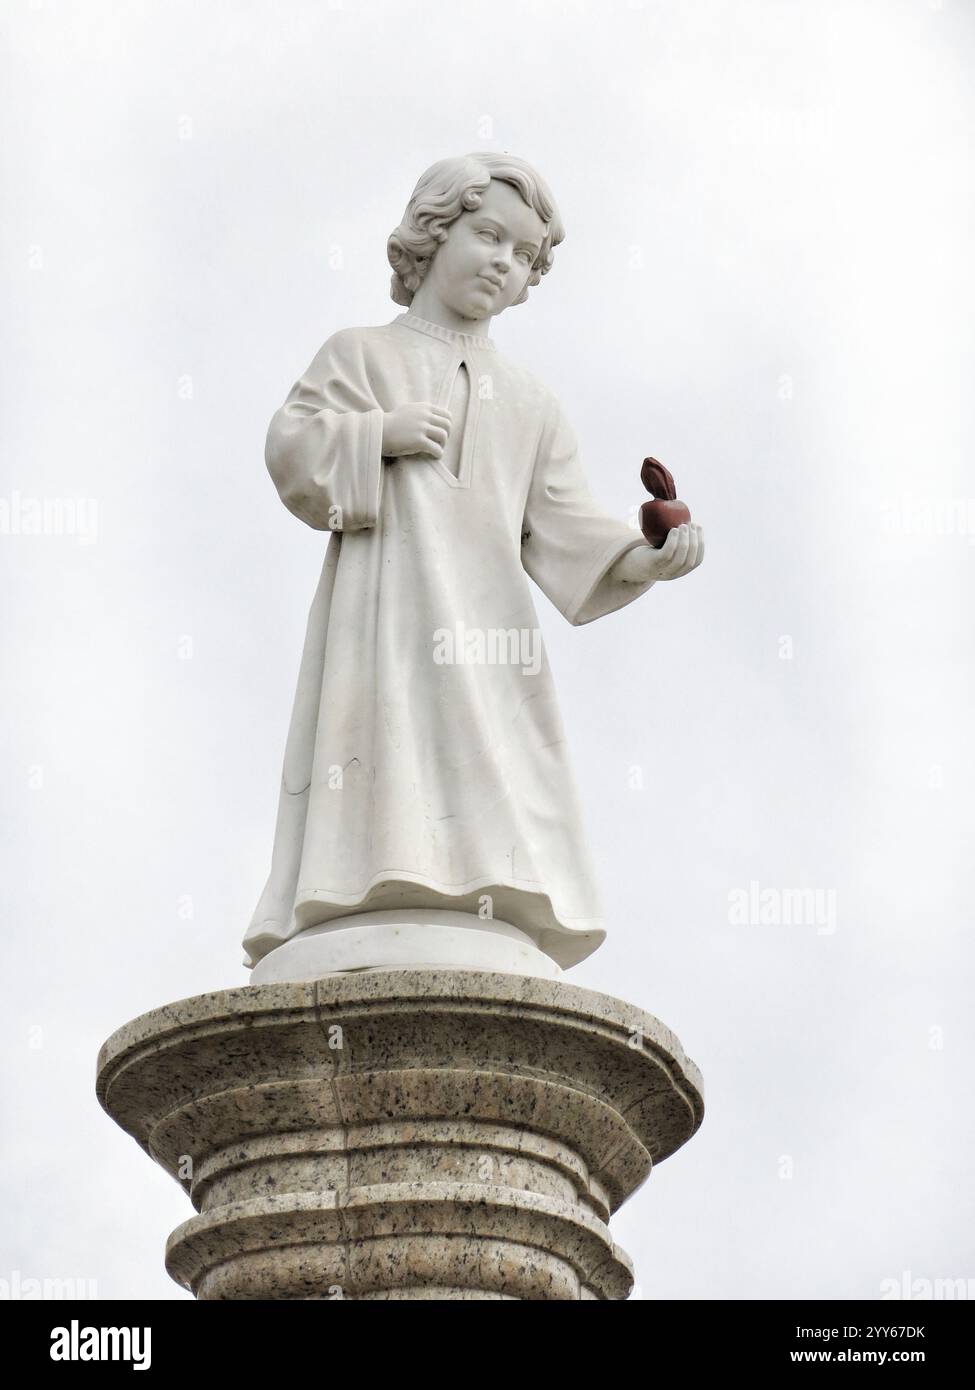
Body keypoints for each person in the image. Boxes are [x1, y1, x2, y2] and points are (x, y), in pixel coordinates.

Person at [243, 151, 704, 979]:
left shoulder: (529, 402)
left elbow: (563, 529)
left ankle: (479, 896)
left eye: (525, 255)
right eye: (488, 234)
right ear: (431, 233)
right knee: (379, 734)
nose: (503, 261)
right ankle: (374, 891)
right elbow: (292, 449)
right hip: (384, 612)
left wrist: (647, 556)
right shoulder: (360, 355)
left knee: (487, 752)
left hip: (489, 633)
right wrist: (375, 434)